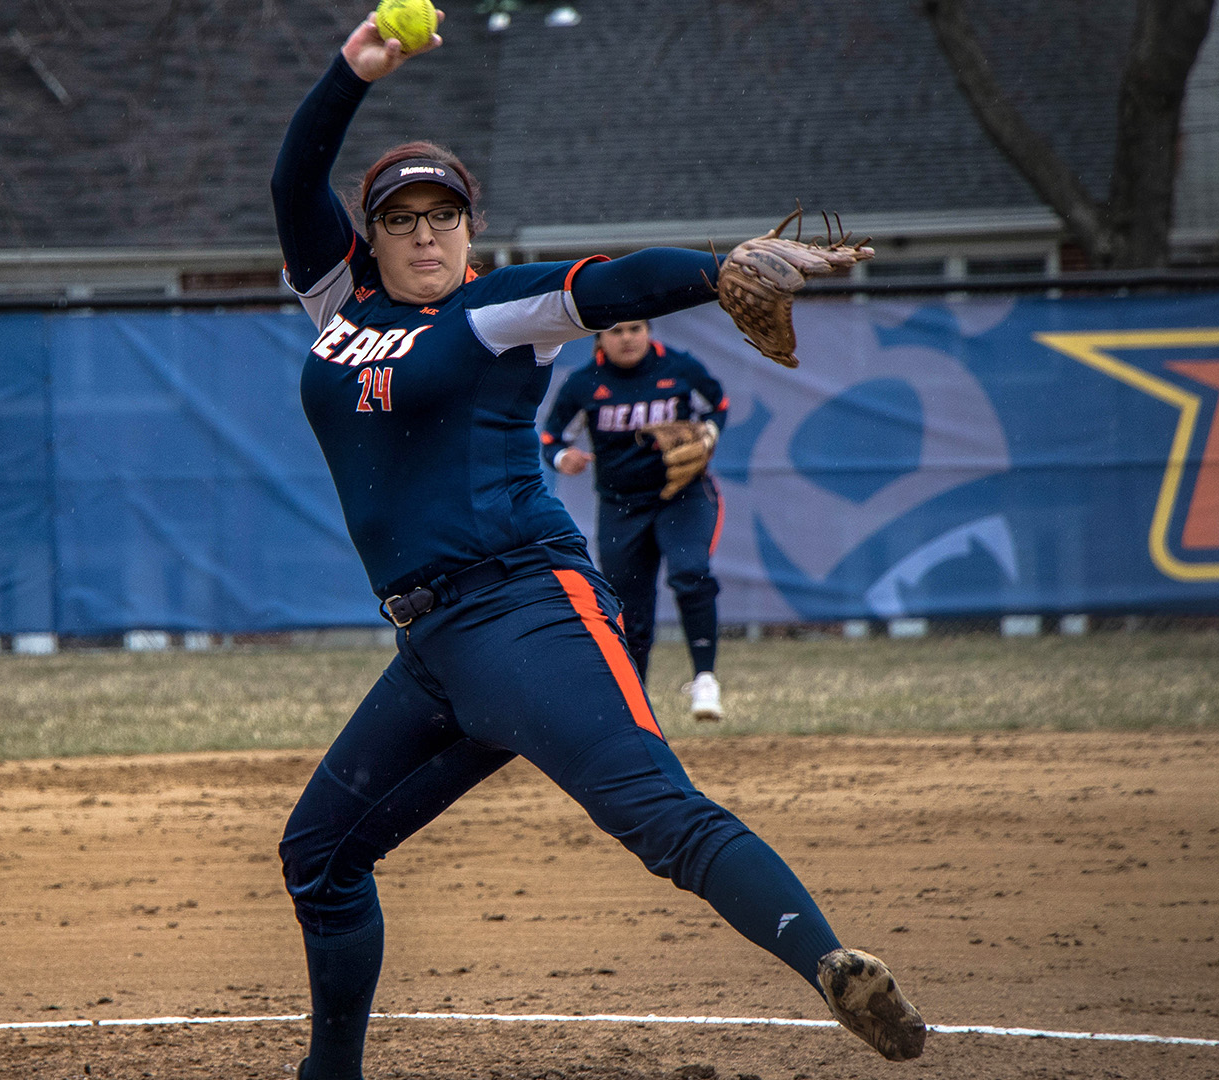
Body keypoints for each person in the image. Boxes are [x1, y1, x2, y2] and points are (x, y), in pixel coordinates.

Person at [269, 12, 926, 1078]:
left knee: (654, 812)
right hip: (431, 650)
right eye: (402, 219)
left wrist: (718, 273)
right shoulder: (338, 303)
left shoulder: (493, 311)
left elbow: (612, 285)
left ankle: (833, 964)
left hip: (528, 613)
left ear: (472, 232)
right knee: (320, 857)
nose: (426, 235)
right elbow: (296, 176)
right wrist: (352, 72)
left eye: (445, 216)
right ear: (371, 237)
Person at [541, 319, 729, 721]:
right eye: (616, 331)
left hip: (682, 496)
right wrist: (562, 458)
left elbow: (719, 404)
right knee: (630, 609)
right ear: (599, 339)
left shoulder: (678, 367)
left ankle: (705, 679)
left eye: (635, 328)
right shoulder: (584, 383)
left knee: (691, 571)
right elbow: (551, 436)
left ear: (648, 331)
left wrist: (710, 433)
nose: (627, 338)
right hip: (621, 505)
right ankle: (634, 705)